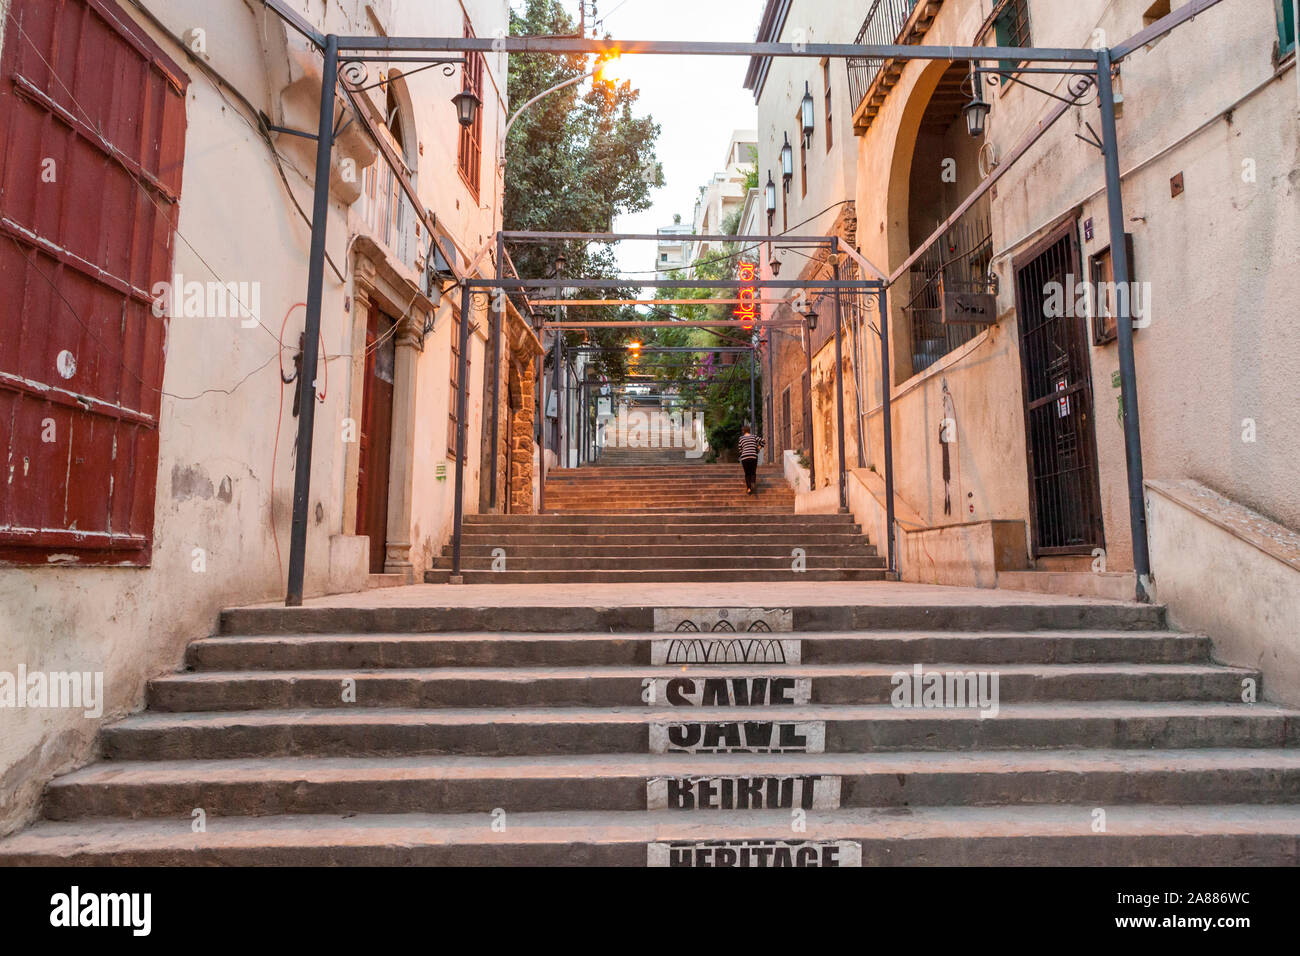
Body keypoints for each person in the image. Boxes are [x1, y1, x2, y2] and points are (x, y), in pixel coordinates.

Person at [738, 425, 764, 495]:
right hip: (753, 456)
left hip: (745, 458)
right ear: (749, 430)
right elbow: (763, 441)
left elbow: (740, 450)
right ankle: (753, 482)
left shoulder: (741, 438)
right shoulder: (754, 436)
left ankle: (749, 488)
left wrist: (743, 455)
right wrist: (758, 448)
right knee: (753, 472)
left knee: (747, 473)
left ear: (743, 431)